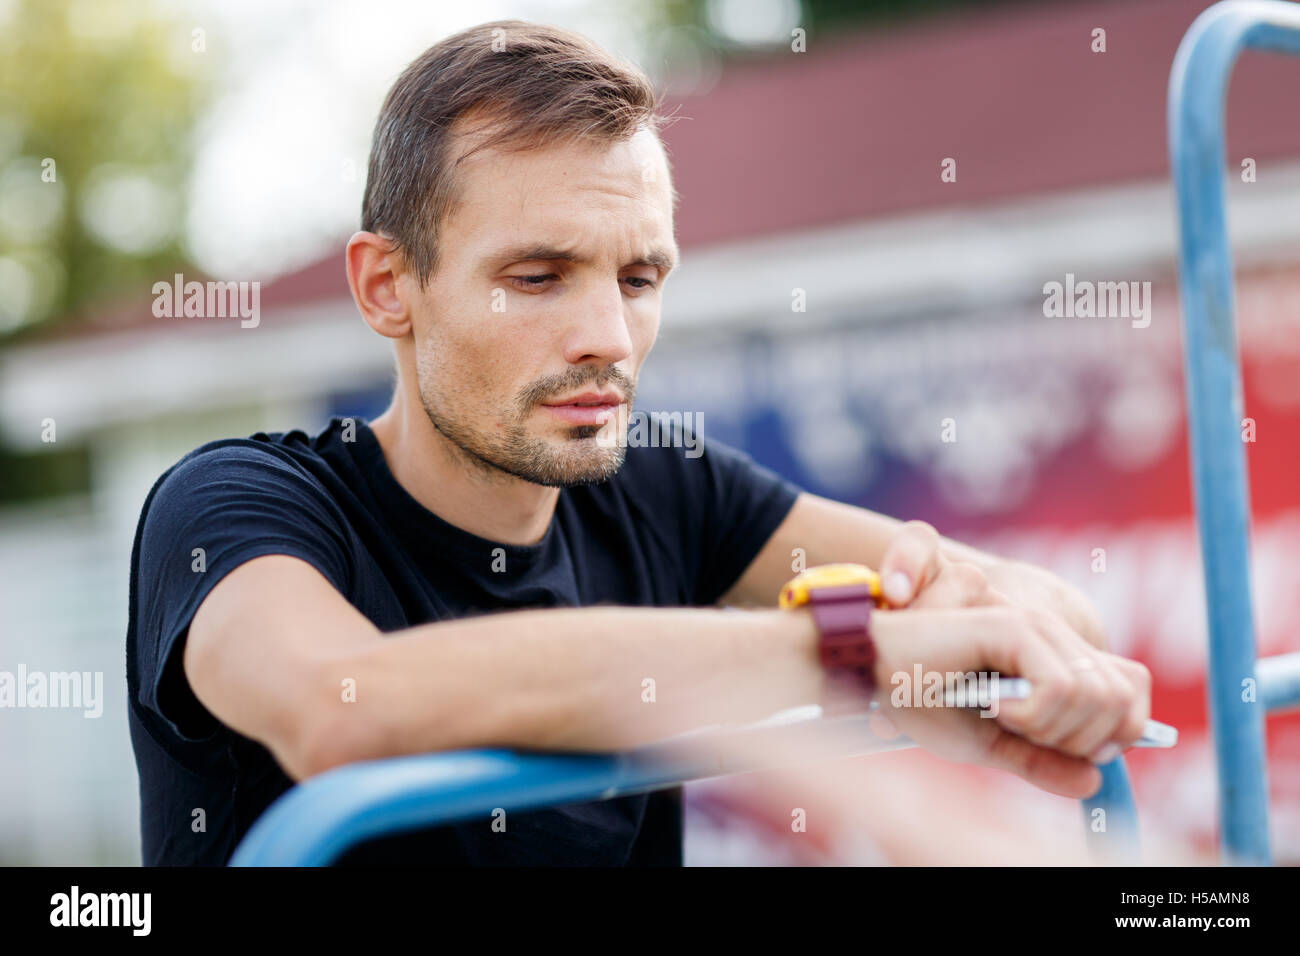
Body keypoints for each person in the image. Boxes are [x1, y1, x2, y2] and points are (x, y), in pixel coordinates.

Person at [125, 20, 1151, 866]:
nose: (608, 340)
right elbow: (342, 704)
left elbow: (1047, 609)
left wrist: (965, 620)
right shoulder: (234, 504)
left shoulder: (664, 486)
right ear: (386, 287)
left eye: (638, 278)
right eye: (536, 276)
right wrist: (859, 652)